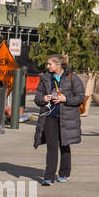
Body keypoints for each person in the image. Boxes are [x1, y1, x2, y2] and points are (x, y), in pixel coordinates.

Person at [33, 54, 85, 186]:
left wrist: (65, 99)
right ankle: (48, 177)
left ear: (58, 65)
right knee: (51, 147)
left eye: (50, 64)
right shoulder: (45, 78)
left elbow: (80, 97)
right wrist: (44, 98)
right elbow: (37, 98)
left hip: (67, 117)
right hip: (50, 116)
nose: (47, 66)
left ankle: (64, 173)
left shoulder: (72, 77)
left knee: (64, 145)